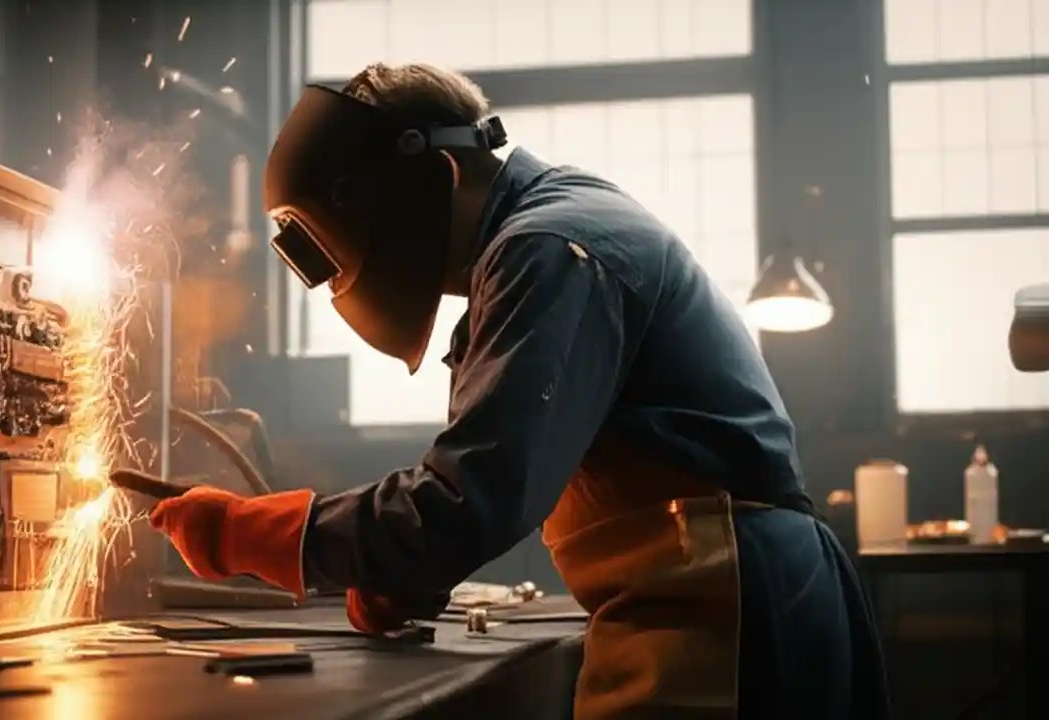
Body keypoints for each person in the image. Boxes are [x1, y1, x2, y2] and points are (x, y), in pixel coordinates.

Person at [149, 63, 890, 719]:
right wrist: (402, 570)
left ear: (430, 174)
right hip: (707, 594)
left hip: (726, 608)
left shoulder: (551, 248)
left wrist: (251, 532)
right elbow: (475, 491)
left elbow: (472, 498)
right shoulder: (541, 238)